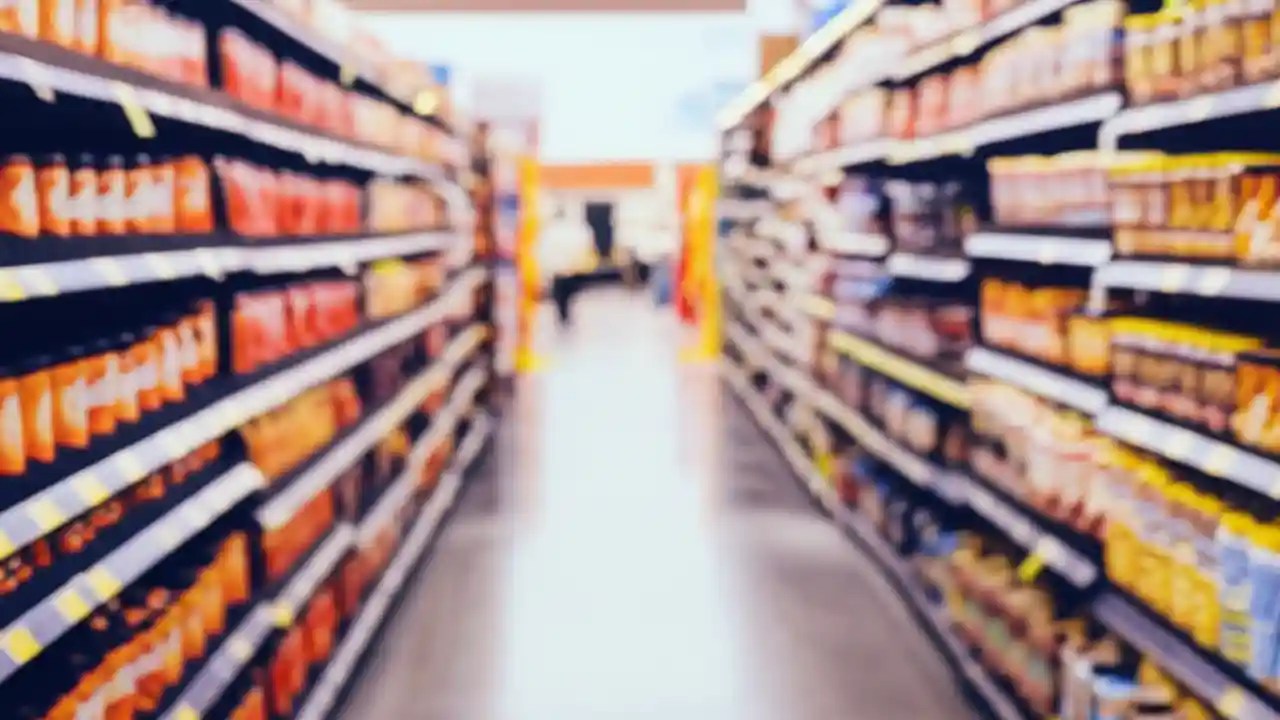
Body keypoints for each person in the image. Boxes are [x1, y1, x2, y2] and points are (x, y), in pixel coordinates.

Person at [538, 203, 594, 326]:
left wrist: (546, 270)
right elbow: (584, 246)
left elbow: (544, 251)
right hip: (571, 269)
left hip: (558, 271)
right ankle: (566, 316)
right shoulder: (574, 229)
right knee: (569, 296)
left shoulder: (550, 231)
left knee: (560, 296)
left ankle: (563, 316)